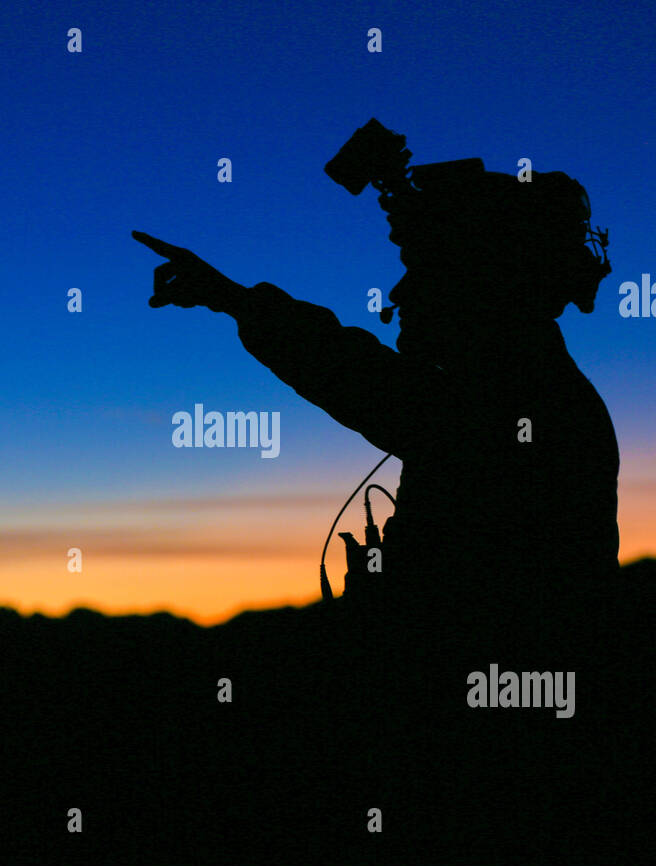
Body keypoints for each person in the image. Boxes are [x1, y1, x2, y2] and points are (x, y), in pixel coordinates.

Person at [132, 168, 619, 653]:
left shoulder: (523, 404)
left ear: (484, 286)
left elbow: (361, 378)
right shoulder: (527, 389)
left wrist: (232, 299)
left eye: (425, 271)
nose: (400, 293)